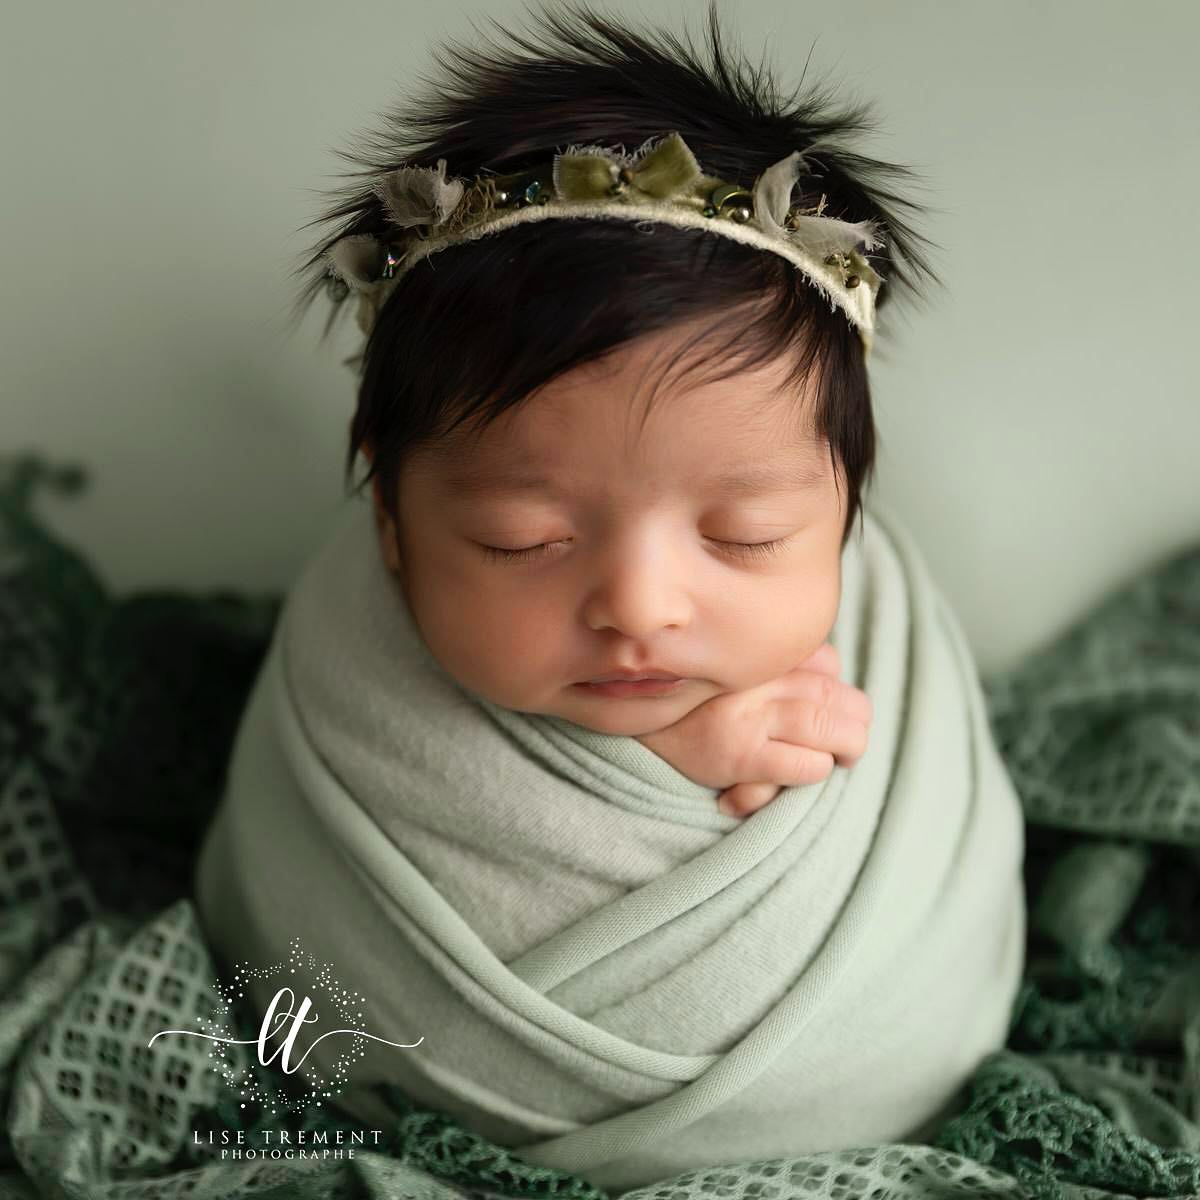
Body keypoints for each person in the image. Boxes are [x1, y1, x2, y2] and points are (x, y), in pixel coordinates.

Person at [195, 2, 1025, 1190]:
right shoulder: (346, 660)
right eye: (522, 539)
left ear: (844, 517)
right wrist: (680, 764)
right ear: (388, 522)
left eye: (746, 537)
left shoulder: (880, 657)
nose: (639, 607)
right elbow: (300, 957)